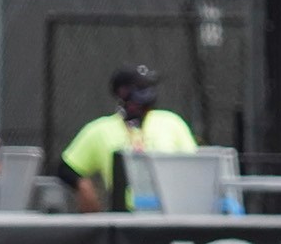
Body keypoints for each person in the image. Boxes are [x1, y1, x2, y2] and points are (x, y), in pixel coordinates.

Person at [58, 64, 198, 212]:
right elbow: (66, 168)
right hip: (126, 216)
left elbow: (194, 167)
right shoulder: (101, 130)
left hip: (172, 214)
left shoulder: (171, 122)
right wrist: (85, 189)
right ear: (122, 94)